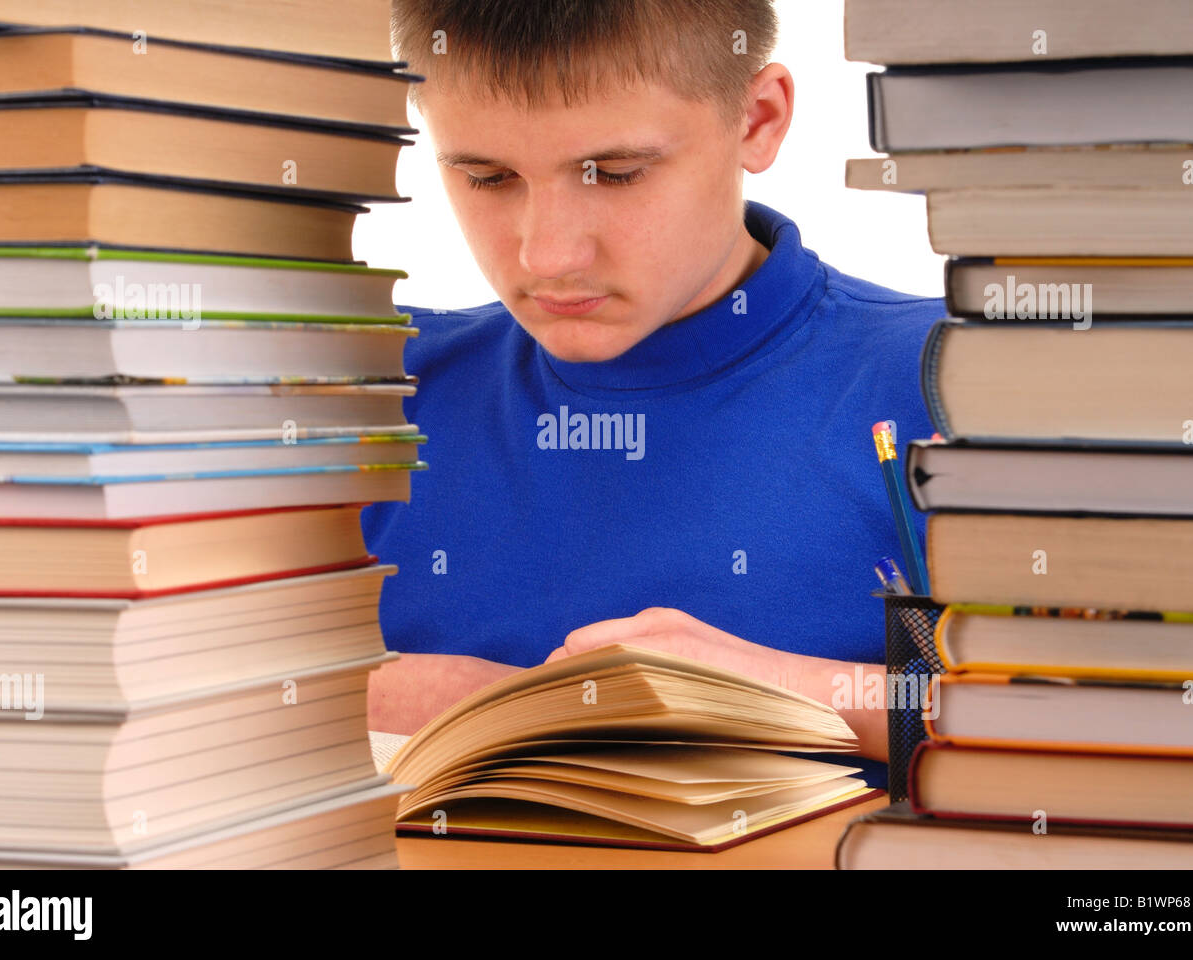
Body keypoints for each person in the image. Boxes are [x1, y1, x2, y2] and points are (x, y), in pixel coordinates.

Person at [361, 0, 941, 767]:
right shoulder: (368, 388)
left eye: (616, 173)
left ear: (758, 120)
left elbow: (1112, 725)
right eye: (488, 177)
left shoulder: (957, 380)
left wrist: (778, 688)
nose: (549, 255)